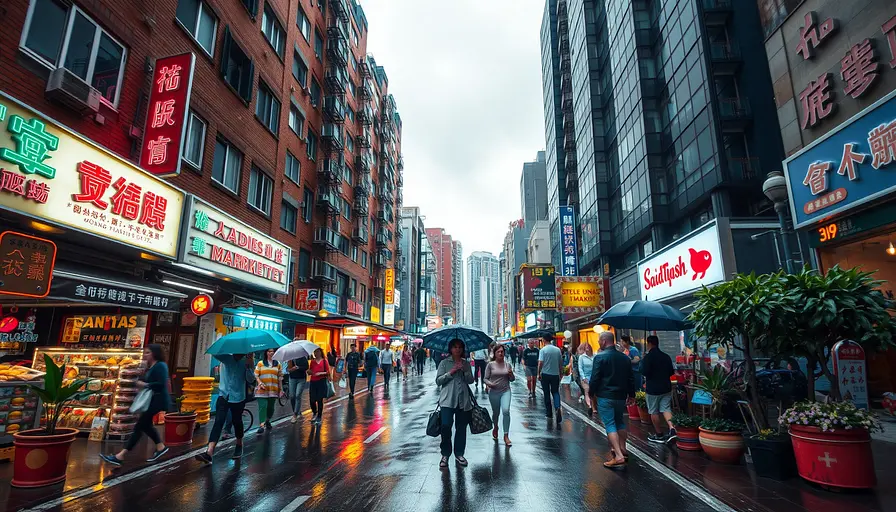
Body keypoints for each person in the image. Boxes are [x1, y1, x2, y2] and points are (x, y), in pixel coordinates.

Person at [100, 344, 170, 466]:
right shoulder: (150, 367)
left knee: (139, 426)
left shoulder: (161, 366)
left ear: (154, 354)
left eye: (148, 353)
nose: (145, 355)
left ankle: (120, 456)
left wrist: (146, 385)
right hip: (151, 400)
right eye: (145, 353)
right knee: (146, 425)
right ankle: (160, 447)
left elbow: (161, 384)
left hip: (157, 400)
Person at [196, 353, 256, 464]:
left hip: (238, 397)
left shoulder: (246, 362)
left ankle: (239, 444)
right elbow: (215, 353)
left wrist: (249, 367)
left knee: (237, 421)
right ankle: (209, 452)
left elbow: (251, 379)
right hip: (223, 395)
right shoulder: (226, 358)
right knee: (218, 421)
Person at [589, 331, 636, 469]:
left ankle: (618, 455)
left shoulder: (600, 358)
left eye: (599, 340)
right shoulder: (625, 358)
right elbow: (630, 378)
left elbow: (595, 378)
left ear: (604, 341)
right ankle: (623, 448)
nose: (598, 342)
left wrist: (591, 393)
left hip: (605, 395)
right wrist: (631, 394)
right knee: (620, 421)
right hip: (620, 396)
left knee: (610, 424)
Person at [435, 338, 474, 468]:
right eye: (455, 347)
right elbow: (438, 381)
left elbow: (471, 380)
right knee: (445, 426)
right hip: (447, 400)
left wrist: (464, 371)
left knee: (461, 428)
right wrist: (451, 372)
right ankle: (445, 454)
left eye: (459, 347)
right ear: (450, 349)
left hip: (463, 401)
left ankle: (459, 453)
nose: (457, 349)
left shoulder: (466, 363)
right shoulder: (444, 363)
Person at [641, 335, 678, 444]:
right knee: (666, 408)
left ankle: (659, 434)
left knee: (654, 411)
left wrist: (643, 360)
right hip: (666, 387)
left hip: (653, 389)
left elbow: (644, 372)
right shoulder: (665, 356)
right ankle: (672, 429)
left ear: (649, 344)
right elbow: (671, 372)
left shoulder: (648, 357)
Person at [484, 344, 514, 447]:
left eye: (502, 351)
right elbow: (485, 378)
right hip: (494, 392)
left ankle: (506, 435)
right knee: (495, 413)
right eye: (499, 352)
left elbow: (512, 380)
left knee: (506, 411)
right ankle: (495, 426)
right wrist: (489, 384)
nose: (501, 353)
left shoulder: (507, 365)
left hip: (506, 391)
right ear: (495, 354)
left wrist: (511, 374)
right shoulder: (490, 365)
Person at [254, 348, 282, 433]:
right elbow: (256, 375)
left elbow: (280, 377)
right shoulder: (260, 363)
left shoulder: (278, 364)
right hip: (262, 389)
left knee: (271, 408)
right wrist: (259, 382)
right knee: (263, 406)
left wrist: (281, 390)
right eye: (269, 351)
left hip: (273, 389)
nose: (271, 353)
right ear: (266, 353)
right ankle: (261, 425)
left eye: (273, 351)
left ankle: (267, 420)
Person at [538, 335, 563, 423]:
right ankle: (557, 407)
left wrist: (538, 373)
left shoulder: (543, 350)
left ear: (544, 340)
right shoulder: (557, 350)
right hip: (555, 374)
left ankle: (549, 413)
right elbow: (560, 363)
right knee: (555, 392)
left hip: (545, 374)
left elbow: (540, 362)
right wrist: (561, 373)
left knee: (546, 393)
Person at [308, 348, 330, 424]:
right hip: (313, 381)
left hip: (321, 381)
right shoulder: (312, 361)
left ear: (320, 352)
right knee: (312, 399)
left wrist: (321, 373)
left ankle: (319, 416)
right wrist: (309, 371)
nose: (316, 353)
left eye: (317, 351)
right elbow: (310, 371)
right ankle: (314, 412)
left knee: (319, 399)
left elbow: (327, 372)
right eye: (315, 352)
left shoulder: (324, 361)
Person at [286, 353, 309, 423]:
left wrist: (298, 367)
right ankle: (296, 411)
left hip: (301, 379)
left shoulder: (302, 357)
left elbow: (306, 367)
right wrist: (291, 369)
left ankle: (295, 414)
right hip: (292, 378)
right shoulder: (290, 358)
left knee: (298, 395)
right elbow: (288, 369)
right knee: (292, 396)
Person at [578, 343, 595, 416]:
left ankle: (594, 406)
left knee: (593, 393)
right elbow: (580, 368)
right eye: (586, 347)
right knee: (587, 391)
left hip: (594, 377)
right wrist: (583, 377)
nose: (587, 348)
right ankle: (590, 406)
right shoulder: (582, 357)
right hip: (585, 377)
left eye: (588, 347)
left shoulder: (595, 356)